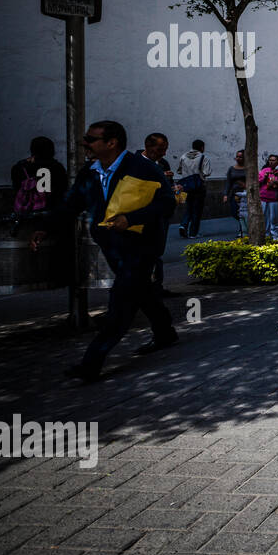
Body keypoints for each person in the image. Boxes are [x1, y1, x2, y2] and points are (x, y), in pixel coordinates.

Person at [31, 120, 177, 382]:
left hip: (141, 246)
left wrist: (130, 219)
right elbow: (70, 204)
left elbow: (167, 204)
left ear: (112, 143)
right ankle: (165, 333)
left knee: (121, 302)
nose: (85, 143)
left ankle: (91, 364)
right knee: (141, 291)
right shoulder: (90, 171)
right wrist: (45, 227)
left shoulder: (142, 168)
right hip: (111, 245)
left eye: (91, 139)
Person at [136, 133, 178, 295]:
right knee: (146, 252)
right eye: (160, 149)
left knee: (157, 251)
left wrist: (172, 185)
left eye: (165, 149)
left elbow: (167, 184)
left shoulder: (161, 163)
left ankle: (155, 286)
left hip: (161, 215)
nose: (163, 153)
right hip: (144, 216)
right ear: (148, 147)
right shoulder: (136, 164)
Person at [11, 136, 70, 232]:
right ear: (52, 150)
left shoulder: (20, 167)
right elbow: (62, 190)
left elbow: (16, 187)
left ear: (32, 150)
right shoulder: (57, 167)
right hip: (50, 214)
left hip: (25, 214)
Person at [175, 138, 211, 238]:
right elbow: (207, 172)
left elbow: (179, 171)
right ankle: (193, 233)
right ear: (202, 147)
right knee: (197, 209)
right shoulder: (204, 157)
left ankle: (183, 225)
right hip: (199, 187)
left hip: (186, 186)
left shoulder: (183, 156)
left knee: (189, 207)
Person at [258, 154, 278, 240]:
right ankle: (266, 235)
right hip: (263, 197)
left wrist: (276, 183)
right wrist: (264, 177)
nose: (271, 162)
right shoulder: (264, 170)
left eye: (273, 160)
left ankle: (275, 235)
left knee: (274, 217)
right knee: (264, 217)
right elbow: (258, 181)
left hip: (274, 198)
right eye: (270, 160)